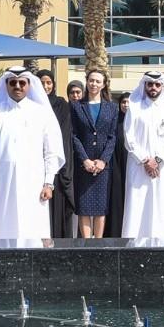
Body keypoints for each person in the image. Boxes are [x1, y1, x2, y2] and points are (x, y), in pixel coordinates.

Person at [0, 68, 65, 243]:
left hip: (34, 186)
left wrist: (49, 183)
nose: (17, 86)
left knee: (32, 232)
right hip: (0, 186)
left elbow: (51, 151)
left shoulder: (41, 113)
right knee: (2, 232)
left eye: (22, 82)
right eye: (13, 82)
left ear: (29, 85)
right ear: (6, 85)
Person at [122, 71, 164, 239]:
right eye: (150, 84)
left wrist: (157, 160)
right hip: (138, 167)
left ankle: (162, 244)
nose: (153, 87)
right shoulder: (134, 108)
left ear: (162, 87)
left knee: (162, 206)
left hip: (163, 168)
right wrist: (145, 160)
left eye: (157, 84)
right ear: (145, 85)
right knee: (137, 206)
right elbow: (129, 138)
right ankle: (134, 246)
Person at [70, 68, 119, 238]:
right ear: (86, 81)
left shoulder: (112, 107)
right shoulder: (77, 107)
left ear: (103, 84)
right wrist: (84, 159)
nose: (94, 84)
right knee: (83, 207)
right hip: (83, 164)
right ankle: (86, 245)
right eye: (91, 80)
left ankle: (98, 244)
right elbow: (74, 135)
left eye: (98, 81)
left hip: (102, 166)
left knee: (100, 208)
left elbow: (112, 136)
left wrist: (103, 160)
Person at [36, 69, 75, 239]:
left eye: (49, 83)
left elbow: (64, 135)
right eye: (42, 83)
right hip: (35, 164)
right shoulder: (31, 104)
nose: (46, 86)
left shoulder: (61, 104)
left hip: (56, 164)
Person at [106, 91, 130, 238]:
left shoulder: (135, 121)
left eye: (128, 102)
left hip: (131, 166)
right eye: (123, 102)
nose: (126, 105)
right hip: (115, 166)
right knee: (116, 199)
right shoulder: (114, 121)